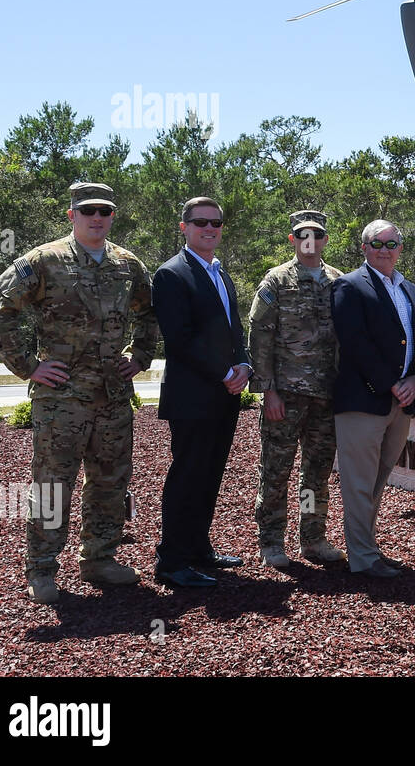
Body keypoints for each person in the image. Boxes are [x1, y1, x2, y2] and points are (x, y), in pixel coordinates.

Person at [0, 182, 158, 604]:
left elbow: (150, 311)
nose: (96, 217)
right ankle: (42, 568)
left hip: (113, 396)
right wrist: (29, 367)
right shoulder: (44, 260)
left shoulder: (126, 264)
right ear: (72, 215)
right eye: (88, 210)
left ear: (113, 215)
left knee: (110, 482)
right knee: (51, 485)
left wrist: (141, 356)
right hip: (61, 398)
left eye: (104, 210)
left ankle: (100, 558)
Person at [152, 196, 251, 588]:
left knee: (210, 475)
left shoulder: (219, 272)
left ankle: (198, 550)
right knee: (187, 477)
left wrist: (243, 364)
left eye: (216, 222)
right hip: (192, 396)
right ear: (184, 227)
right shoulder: (172, 274)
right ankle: (172, 561)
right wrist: (225, 371)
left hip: (224, 395)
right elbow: (180, 340)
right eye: (200, 222)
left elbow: (233, 329)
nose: (209, 228)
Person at [249, 210, 346, 569]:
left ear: (324, 240)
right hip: (285, 396)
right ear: (292, 239)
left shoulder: (338, 282)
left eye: (317, 235)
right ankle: (271, 541)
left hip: (326, 396)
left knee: (316, 473)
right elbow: (259, 336)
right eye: (303, 235)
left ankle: (312, 537)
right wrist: (267, 391)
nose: (311, 241)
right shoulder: (276, 281)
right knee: (276, 471)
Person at [330, 219, 415, 578]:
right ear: (364, 248)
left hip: (401, 402)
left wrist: (414, 379)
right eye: (377, 243)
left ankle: (367, 547)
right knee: (358, 483)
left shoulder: (409, 289)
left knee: (377, 480)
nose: (385, 249)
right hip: (363, 401)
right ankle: (363, 559)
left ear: (400, 247)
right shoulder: (349, 286)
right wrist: (390, 383)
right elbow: (354, 343)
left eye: (391, 243)